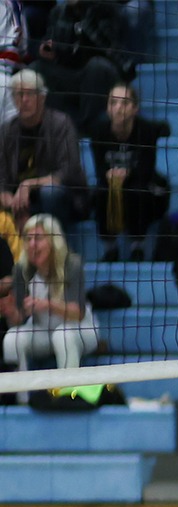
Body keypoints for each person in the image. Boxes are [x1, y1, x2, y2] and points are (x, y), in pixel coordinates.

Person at [85, 82, 168, 261]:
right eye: (113, 103)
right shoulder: (99, 131)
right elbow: (100, 169)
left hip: (140, 184)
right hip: (111, 183)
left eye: (124, 103)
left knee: (137, 190)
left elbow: (146, 170)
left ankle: (138, 245)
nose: (118, 108)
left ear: (135, 108)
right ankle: (110, 248)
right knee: (101, 192)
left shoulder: (146, 131)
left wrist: (127, 173)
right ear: (107, 108)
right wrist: (109, 175)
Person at [2, 214, 96, 371]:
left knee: (62, 335)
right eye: (28, 239)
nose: (32, 244)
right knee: (12, 337)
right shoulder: (21, 270)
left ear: (53, 241)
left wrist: (47, 305)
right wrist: (12, 313)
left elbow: (78, 313)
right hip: (43, 331)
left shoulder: (72, 264)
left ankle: (67, 393)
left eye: (38, 238)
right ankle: (20, 395)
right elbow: (19, 319)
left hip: (79, 329)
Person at [0, 69, 85, 229]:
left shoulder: (61, 124)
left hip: (61, 198)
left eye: (29, 94)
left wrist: (29, 184)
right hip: (20, 201)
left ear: (42, 97)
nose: (24, 100)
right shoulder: (6, 131)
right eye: (19, 95)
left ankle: (58, 247)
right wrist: (8, 200)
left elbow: (68, 171)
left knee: (50, 192)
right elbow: (2, 177)